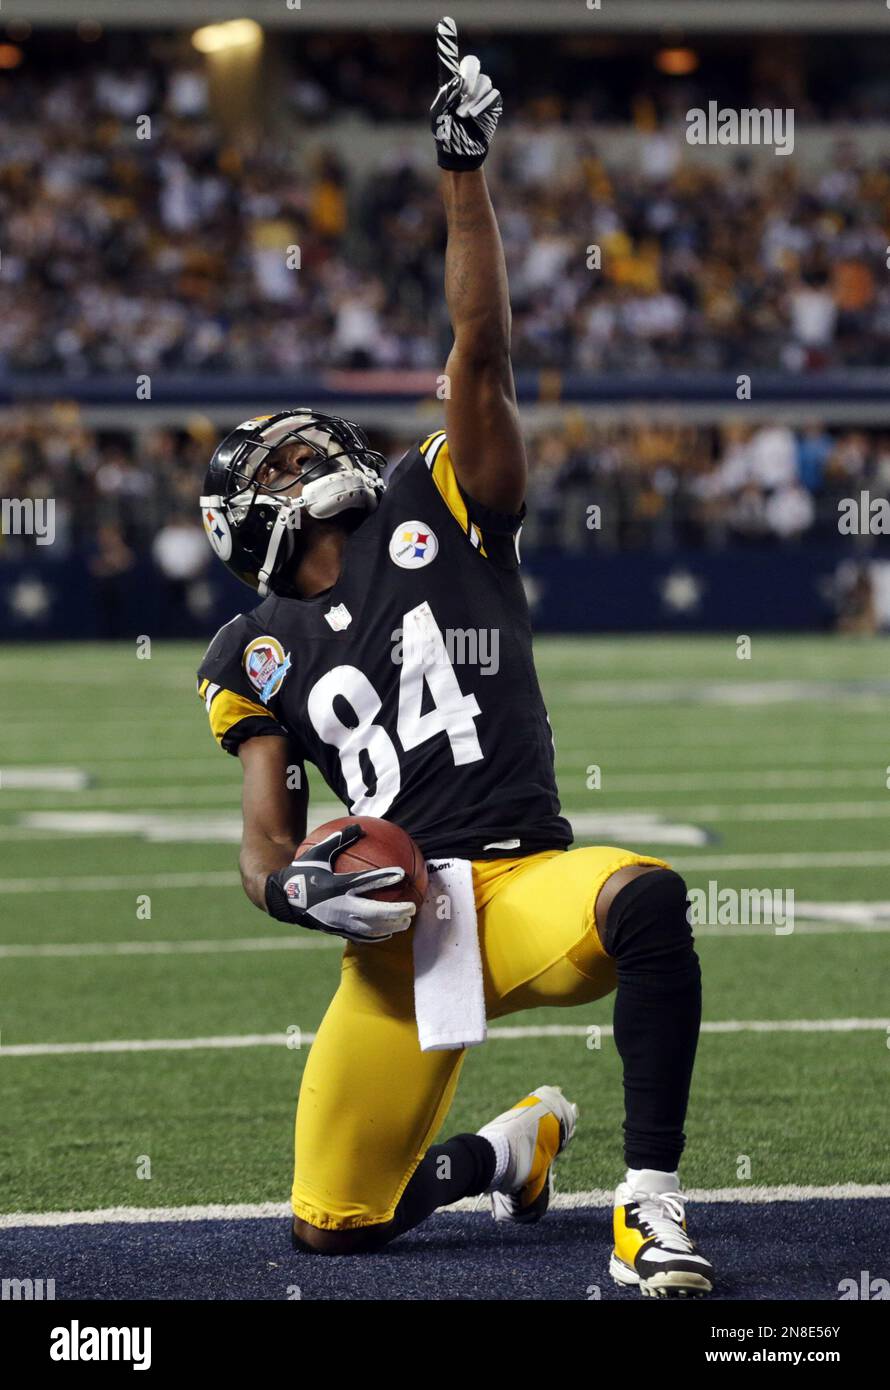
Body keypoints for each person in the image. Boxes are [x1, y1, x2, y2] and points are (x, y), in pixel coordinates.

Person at [195, 18, 712, 1298]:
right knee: (333, 1228)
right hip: (399, 926)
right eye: (287, 464)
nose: (318, 460)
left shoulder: (437, 496)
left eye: (309, 447)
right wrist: (294, 894)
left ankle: (647, 1204)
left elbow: (480, 349)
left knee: (647, 901)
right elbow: (263, 844)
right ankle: (505, 1150)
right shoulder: (248, 651)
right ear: (249, 521)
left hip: (518, 877)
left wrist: (461, 172)